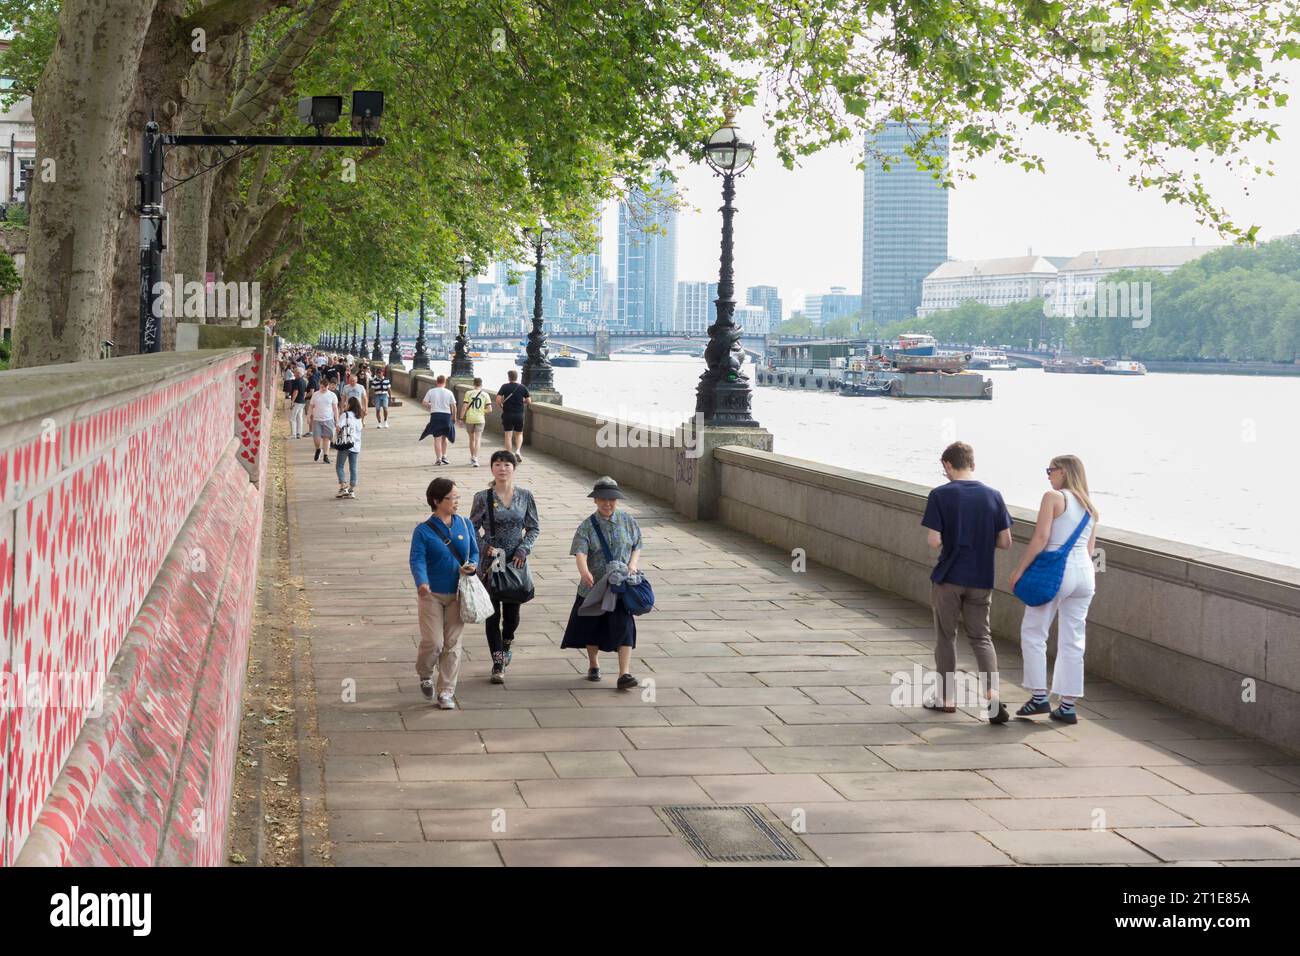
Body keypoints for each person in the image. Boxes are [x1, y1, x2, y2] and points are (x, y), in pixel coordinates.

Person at [920, 441, 1012, 724]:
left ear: (948, 464)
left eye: (944, 468)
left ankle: (946, 699)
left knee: (946, 637)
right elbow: (1005, 542)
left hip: (949, 577)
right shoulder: (993, 496)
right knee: (982, 637)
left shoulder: (940, 495)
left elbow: (934, 540)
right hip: (981, 578)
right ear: (972, 464)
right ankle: (992, 696)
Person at [1009, 455, 1098, 725]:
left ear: (1064, 472)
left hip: (1057, 572)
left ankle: (1038, 697)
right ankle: (1068, 705)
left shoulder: (1054, 497)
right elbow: (1090, 550)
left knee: (1034, 631)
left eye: (1051, 470)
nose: (1048, 475)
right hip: (1085, 575)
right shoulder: (1091, 508)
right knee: (1074, 638)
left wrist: (1020, 570)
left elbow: (1041, 537)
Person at [560, 477, 642, 690]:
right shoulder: (587, 526)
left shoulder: (628, 521)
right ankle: (594, 664)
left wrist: (632, 565)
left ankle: (624, 673)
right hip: (594, 586)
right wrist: (584, 572)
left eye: (612, 499)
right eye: (603, 499)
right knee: (591, 626)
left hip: (619, 586)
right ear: (595, 500)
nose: (608, 503)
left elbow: (637, 545)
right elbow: (580, 552)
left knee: (625, 626)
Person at [409, 478, 479, 709]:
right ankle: (425, 673)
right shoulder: (423, 531)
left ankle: (446, 691)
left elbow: (475, 553)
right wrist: (422, 582)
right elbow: (417, 559)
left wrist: (473, 565)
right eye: (452, 498)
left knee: (452, 643)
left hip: (459, 593)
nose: (457, 501)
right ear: (436, 501)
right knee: (434, 642)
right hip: (431, 595)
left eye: (458, 497)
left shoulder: (465, 524)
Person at [469, 451, 539, 683]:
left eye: (506, 464)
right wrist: (483, 547)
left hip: (515, 561)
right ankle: (497, 663)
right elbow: (472, 528)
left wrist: (524, 549)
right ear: (492, 469)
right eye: (497, 464)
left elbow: (533, 528)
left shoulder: (525, 496)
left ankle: (507, 640)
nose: (502, 468)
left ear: (513, 468)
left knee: (511, 614)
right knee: (491, 613)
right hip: (492, 561)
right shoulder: (482, 497)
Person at [420, 374, 457, 465]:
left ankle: (438, 459)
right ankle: (444, 456)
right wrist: (454, 417)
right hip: (446, 417)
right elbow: (454, 406)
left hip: (435, 416)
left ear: (437, 382)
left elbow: (424, 403)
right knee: (445, 437)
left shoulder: (431, 391)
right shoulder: (449, 392)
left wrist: (431, 405)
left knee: (437, 439)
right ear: (445, 382)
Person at [495, 370, 531, 461]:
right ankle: (518, 451)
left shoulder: (505, 386)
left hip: (507, 414)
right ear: (517, 377)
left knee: (508, 435)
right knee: (519, 434)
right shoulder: (523, 387)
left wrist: (502, 406)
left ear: (509, 377)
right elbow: (529, 401)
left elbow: (498, 400)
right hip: (519, 414)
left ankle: (509, 455)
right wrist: (522, 401)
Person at [333, 396, 363, 499]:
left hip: (345, 444)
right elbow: (360, 430)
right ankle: (351, 490)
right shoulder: (359, 417)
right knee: (353, 468)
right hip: (356, 445)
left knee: (339, 466)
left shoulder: (345, 415)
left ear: (350, 405)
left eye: (347, 403)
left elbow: (338, 428)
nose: (345, 404)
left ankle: (343, 486)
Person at [460, 377, 492, 467]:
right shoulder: (485, 394)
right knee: (478, 439)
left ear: (473, 384)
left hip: (470, 418)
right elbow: (490, 409)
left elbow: (464, 407)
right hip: (480, 419)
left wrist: (461, 418)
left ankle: (472, 457)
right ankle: (475, 457)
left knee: (471, 439)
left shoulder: (468, 393)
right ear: (481, 384)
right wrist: (482, 411)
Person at [308, 374, 339, 463]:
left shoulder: (332, 395)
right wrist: (308, 417)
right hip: (317, 420)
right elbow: (311, 406)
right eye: (321, 387)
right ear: (319, 386)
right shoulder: (315, 395)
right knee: (316, 439)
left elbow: (335, 408)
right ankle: (318, 449)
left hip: (328, 419)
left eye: (325, 387)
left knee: (327, 438)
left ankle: (326, 455)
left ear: (328, 386)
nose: (323, 389)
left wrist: (337, 421)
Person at [288, 367, 308, 439]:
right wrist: (303, 398)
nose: (294, 373)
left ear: (298, 373)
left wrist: (292, 401)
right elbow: (305, 392)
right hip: (302, 401)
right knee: (299, 417)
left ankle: (293, 434)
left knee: (292, 418)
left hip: (297, 401)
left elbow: (295, 391)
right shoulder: (304, 381)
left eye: (295, 372)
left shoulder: (297, 381)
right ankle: (299, 433)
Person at [370, 364, 392, 428]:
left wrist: (390, 397)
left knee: (385, 408)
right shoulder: (374, 381)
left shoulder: (386, 380)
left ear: (382, 373)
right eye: (378, 373)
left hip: (385, 395)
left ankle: (385, 421)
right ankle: (379, 423)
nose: (379, 374)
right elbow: (373, 390)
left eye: (380, 373)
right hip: (377, 395)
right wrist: (372, 398)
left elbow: (389, 389)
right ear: (376, 374)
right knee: (378, 409)